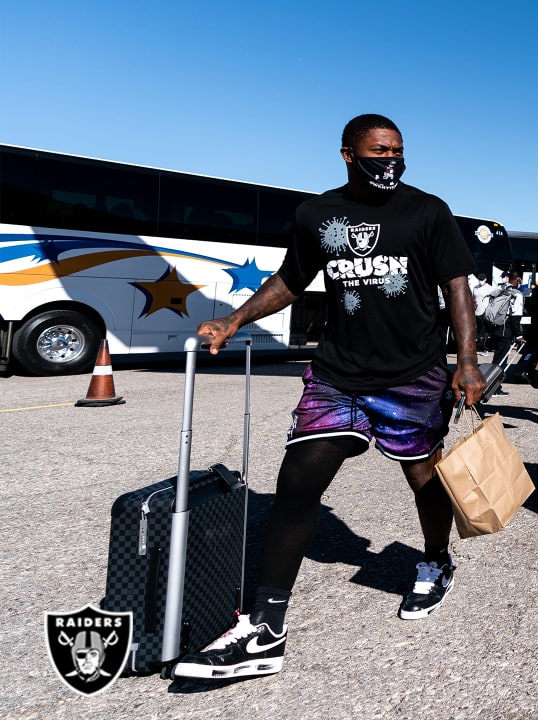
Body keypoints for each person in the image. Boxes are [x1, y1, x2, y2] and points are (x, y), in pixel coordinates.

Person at [172, 114, 485, 680]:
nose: (390, 160)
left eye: (398, 151)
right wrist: (235, 319)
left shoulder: (427, 211)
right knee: (298, 478)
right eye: (378, 151)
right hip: (337, 372)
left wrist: (466, 360)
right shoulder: (317, 214)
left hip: (411, 375)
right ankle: (265, 630)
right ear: (348, 154)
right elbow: (291, 279)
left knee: (425, 479)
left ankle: (437, 560)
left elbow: (456, 286)